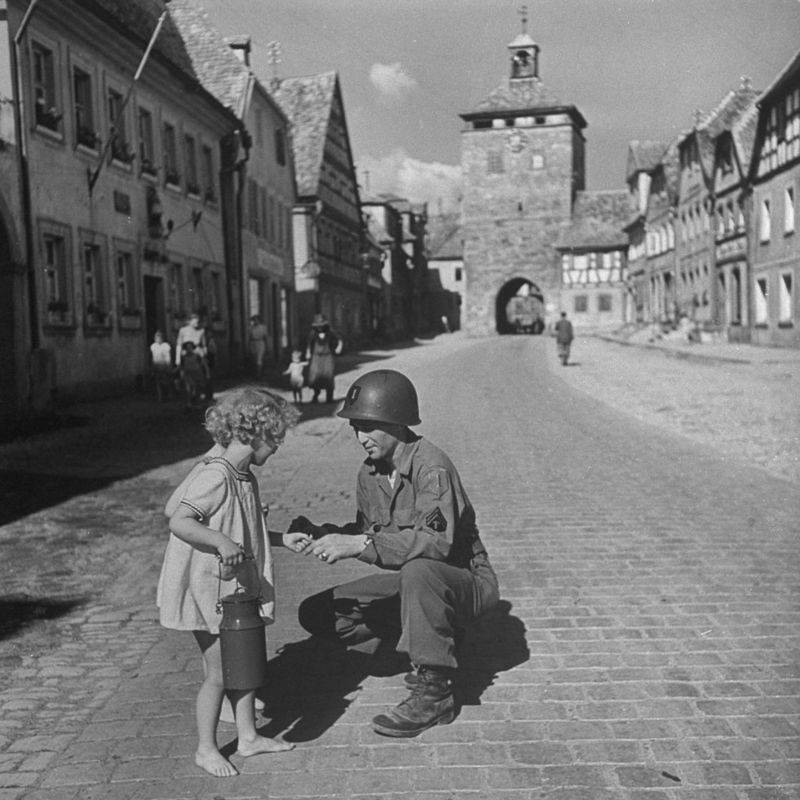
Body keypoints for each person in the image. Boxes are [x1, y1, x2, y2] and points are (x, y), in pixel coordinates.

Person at [286, 369, 500, 738]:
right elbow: (369, 532)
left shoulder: (431, 467)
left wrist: (360, 546)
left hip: (463, 581)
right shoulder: (369, 474)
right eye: (355, 427)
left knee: (420, 570)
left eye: (368, 427)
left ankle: (435, 693)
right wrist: (324, 533)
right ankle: (423, 639)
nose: (359, 437)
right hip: (414, 585)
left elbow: (436, 544)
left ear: (398, 423)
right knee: (320, 613)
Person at [157, 388, 301, 777]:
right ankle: (206, 748)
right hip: (209, 591)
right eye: (275, 440)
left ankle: (249, 737)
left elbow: (246, 528)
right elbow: (177, 518)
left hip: (235, 591)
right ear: (255, 434)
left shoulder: (242, 476)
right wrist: (219, 541)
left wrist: (281, 539)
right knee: (220, 671)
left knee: (245, 659)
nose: (276, 449)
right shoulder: (217, 475)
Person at [305, 314, 342, 403]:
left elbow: (339, 339)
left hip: (327, 356)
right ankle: (315, 395)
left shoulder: (330, 332)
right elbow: (309, 343)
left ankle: (329, 397)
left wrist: (338, 347)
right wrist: (308, 352)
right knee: (315, 376)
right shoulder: (313, 333)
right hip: (316, 357)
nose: (320, 328)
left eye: (321, 326)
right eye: (318, 326)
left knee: (328, 375)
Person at [180, 341, 209, 407]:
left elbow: (202, 364)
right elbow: (182, 367)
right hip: (188, 374)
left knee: (196, 389)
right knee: (189, 389)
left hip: (197, 374)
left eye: (190, 347)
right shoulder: (183, 357)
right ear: (185, 349)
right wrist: (182, 375)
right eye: (187, 348)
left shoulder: (197, 356)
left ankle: (197, 402)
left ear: (193, 348)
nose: (189, 349)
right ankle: (189, 403)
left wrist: (206, 373)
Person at [149, 330, 173, 402]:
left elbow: (168, 356)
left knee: (166, 381)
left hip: (164, 365)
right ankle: (160, 396)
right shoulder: (153, 346)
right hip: (156, 366)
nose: (158, 339)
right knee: (158, 382)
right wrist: (152, 366)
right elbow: (152, 357)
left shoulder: (166, 346)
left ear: (163, 338)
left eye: (160, 337)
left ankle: (169, 393)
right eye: (156, 337)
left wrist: (169, 366)